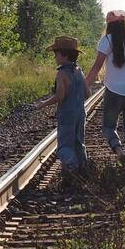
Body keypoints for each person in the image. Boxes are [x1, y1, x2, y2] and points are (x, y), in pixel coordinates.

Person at [85, 9, 125, 165]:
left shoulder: (106, 41)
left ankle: (119, 150)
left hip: (113, 91)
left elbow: (96, 67)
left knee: (108, 127)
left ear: (109, 25)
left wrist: (84, 86)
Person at [37, 35, 88, 180]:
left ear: (64, 54)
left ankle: (73, 171)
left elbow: (60, 96)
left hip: (66, 114)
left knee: (64, 146)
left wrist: (44, 104)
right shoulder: (79, 71)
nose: (54, 57)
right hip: (80, 113)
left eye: (56, 54)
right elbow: (87, 93)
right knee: (79, 144)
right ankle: (84, 170)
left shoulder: (61, 73)